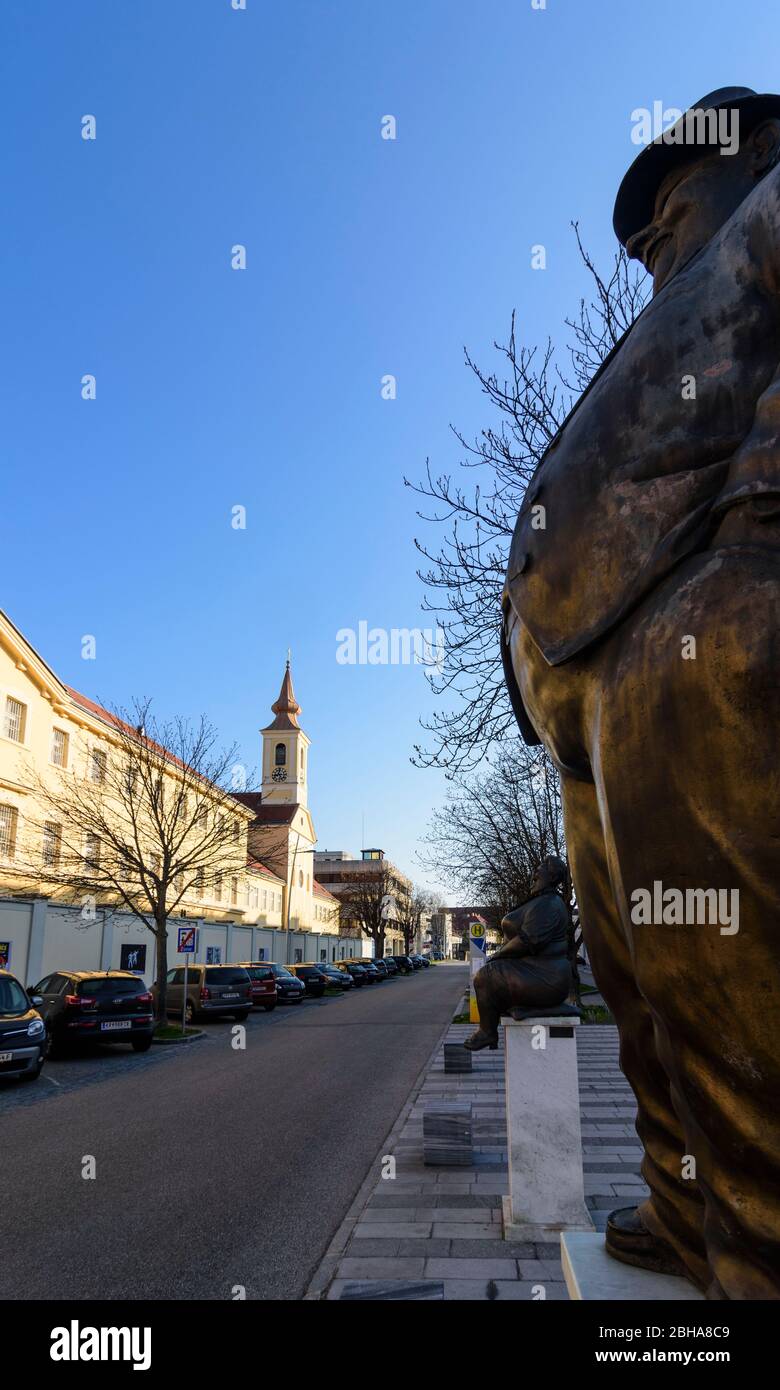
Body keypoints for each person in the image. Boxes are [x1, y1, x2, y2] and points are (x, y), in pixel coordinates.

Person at [503, 88, 780, 1298]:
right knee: (646, 989)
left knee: (733, 997)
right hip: (595, 720)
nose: (650, 234)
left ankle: (760, 1252)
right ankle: (682, 1208)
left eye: (672, 196)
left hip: (695, 662)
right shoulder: (681, 296)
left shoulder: (767, 218)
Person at [464, 856, 572, 1051]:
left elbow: (527, 940)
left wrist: (497, 956)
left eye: (539, 870)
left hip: (547, 978)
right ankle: (494, 1025)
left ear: (552, 875)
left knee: (485, 977)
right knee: (490, 974)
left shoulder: (548, 904)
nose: (534, 874)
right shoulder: (542, 901)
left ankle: (487, 1032)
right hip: (535, 971)